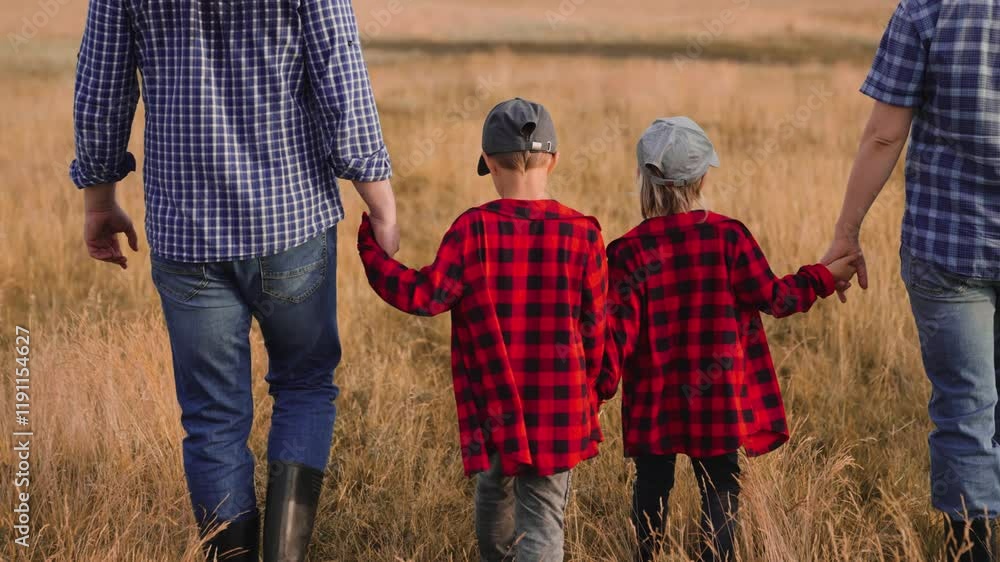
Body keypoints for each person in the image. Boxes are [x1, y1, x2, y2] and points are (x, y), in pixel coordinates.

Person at [70, 0, 400, 559]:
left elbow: (101, 85)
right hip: (291, 220)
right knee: (303, 386)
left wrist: (99, 198)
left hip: (186, 232)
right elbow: (340, 74)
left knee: (212, 419)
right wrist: (381, 203)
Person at [597, 118, 860, 562]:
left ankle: (646, 555)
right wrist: (822, 278)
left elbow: (617, 338)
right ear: (702, 177)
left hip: (653, 401)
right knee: (721, 485)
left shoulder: (627, 252)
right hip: (717, 398)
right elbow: (775, 297)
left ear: (645, 178)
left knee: (651, 485)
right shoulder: (729, 238)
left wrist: (594, 390)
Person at [357, 98, 606, 562]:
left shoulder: (472, 230)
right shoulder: (584, 234)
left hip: (492, 404)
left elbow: (423, 296)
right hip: (560, 405)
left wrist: (371, 250)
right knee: (544, 517)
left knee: (493, 491)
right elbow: (596, 326)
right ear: (553, 159)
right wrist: (598, 389)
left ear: (489, 162)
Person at [822, 1, 1000, 560]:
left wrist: (847, 232)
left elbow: (883, 135)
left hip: (948, 246)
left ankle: (971, 549)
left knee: (965, 409)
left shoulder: (927, 9)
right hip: (951, 252)